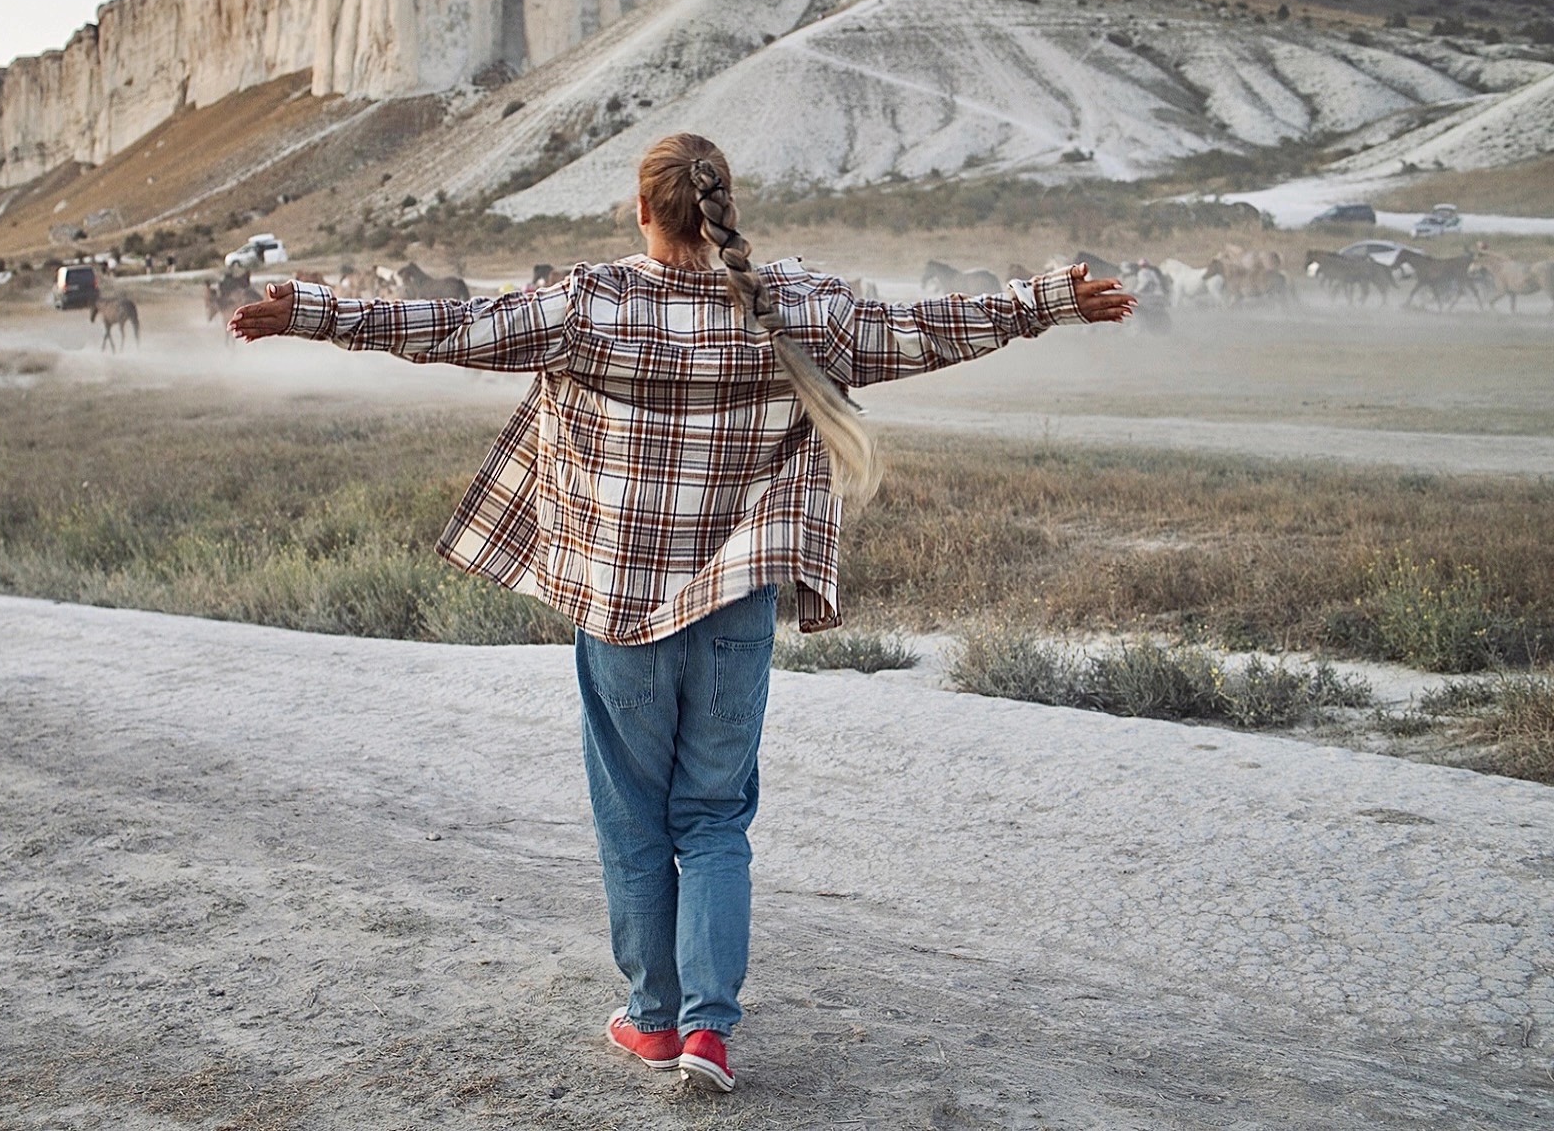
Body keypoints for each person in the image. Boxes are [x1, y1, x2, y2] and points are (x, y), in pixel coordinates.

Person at [229, 133, 1132, 1093]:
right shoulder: (795, 309)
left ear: (641, 211)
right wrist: (1046, 302)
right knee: (713, 818)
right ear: (724, 207)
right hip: (735, 603)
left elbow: (449, 327)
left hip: (618, 608)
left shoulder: (589, 305)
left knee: (633, 817)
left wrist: (315, 313)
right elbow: (927, 327)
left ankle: (653, 1019)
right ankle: (709, 1033)